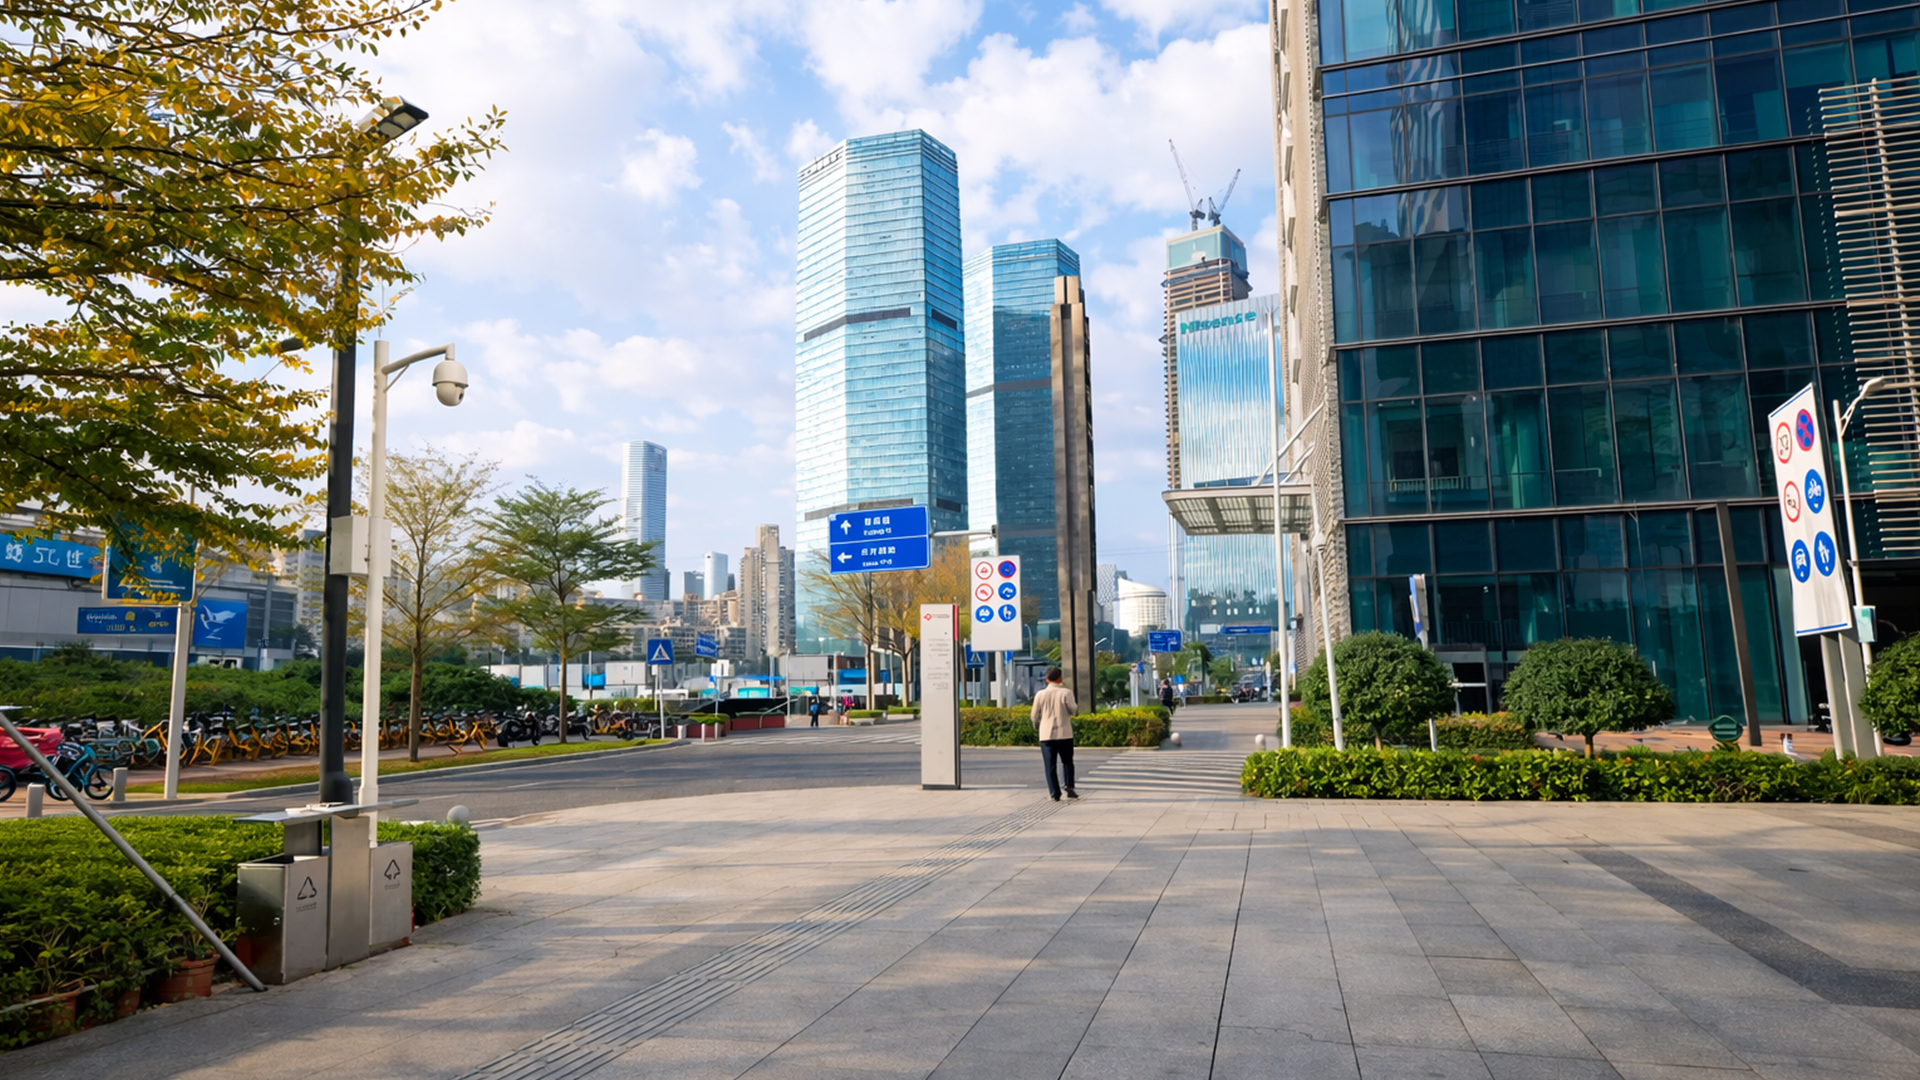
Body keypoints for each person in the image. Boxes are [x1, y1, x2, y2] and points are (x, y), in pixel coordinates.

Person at [1032, 667, 1078, 801]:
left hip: (1046, 735)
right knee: (1067, 762)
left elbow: (1034, 715)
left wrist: (1039, 723)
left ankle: (1054, 792)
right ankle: (1069, 785)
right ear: (1060, 678)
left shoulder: (1040, 695)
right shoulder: (1066, 693)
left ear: (1047, 679)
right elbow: (1073, 709)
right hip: (1065, 733)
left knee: (1050, 765)